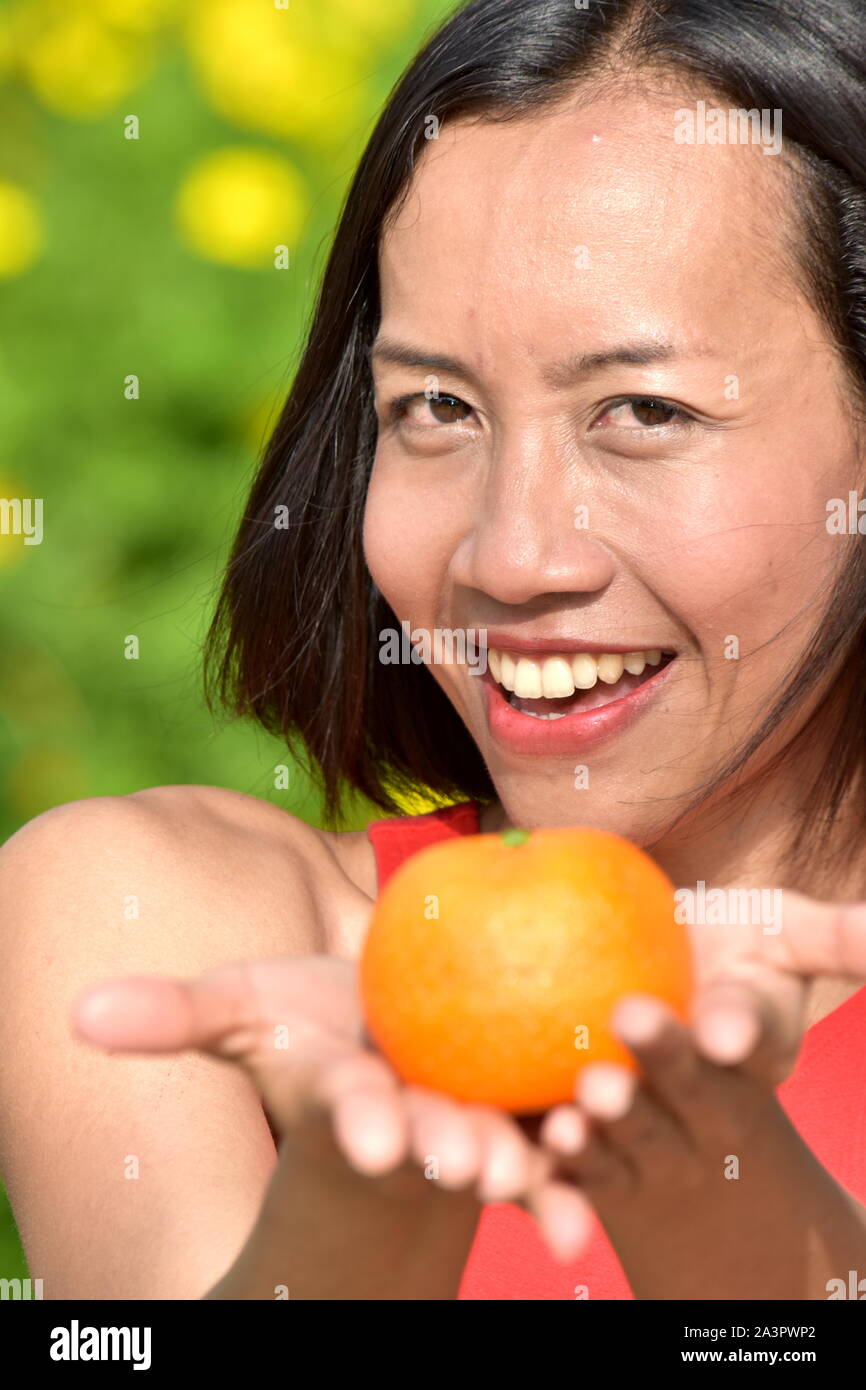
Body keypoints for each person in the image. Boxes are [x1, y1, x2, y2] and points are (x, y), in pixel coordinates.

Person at [3, 0, 866, 1300]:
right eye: (434, 408)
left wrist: (732, 1233)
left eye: (641, 409)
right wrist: (354, 1235)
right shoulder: (170, 932)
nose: (508, 556)